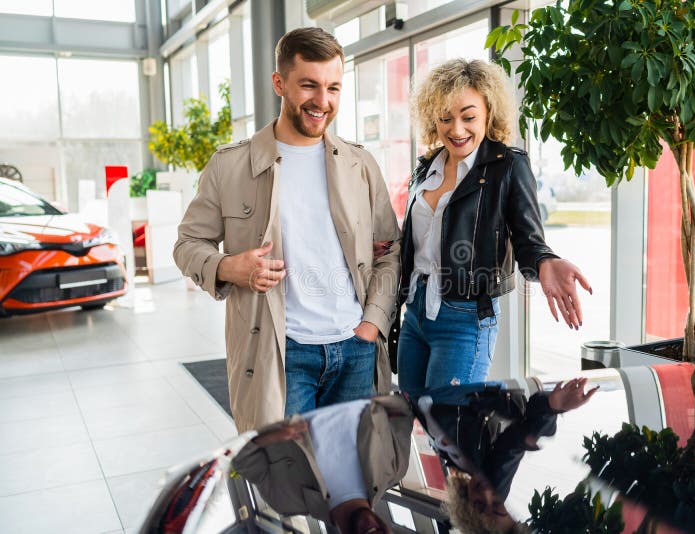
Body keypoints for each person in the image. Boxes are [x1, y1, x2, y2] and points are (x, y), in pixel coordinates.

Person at [174, 27, 400, 432]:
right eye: (309, 85)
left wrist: (373, 323)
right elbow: (188, 243)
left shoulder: (360, 165)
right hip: (281, 353)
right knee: (288, 482)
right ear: (279, 83)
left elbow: (389, 251)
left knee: (352, 479)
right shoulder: (230, 166)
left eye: (333, 87)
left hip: (355, 349)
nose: (322, 101)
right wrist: (229, 267)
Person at [392, 58, 592, 393]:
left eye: (468, 117)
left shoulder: (509, 166)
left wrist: (545, 261)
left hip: (465, 318)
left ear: (489, 112)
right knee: (413, 414)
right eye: (445, 117)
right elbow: (419, 239)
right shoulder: (426, 167)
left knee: (452, 431)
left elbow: (528, 238)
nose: (457, 130)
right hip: (415, 313)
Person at [413, 378, 599, 533]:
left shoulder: (462, 465)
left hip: (426, 388)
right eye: (495, 504)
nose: (486, 493)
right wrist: (552, 407)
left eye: (479, 505)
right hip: (454, 380)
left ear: (466, 504)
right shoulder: (493, 479)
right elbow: (516, 443)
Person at [233, 394, 414, 534]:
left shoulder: (285, 501)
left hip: (287, 385)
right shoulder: (396, 468)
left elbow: (240, 457)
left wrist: (271, 436)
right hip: (354, 358)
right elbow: (404, 412)